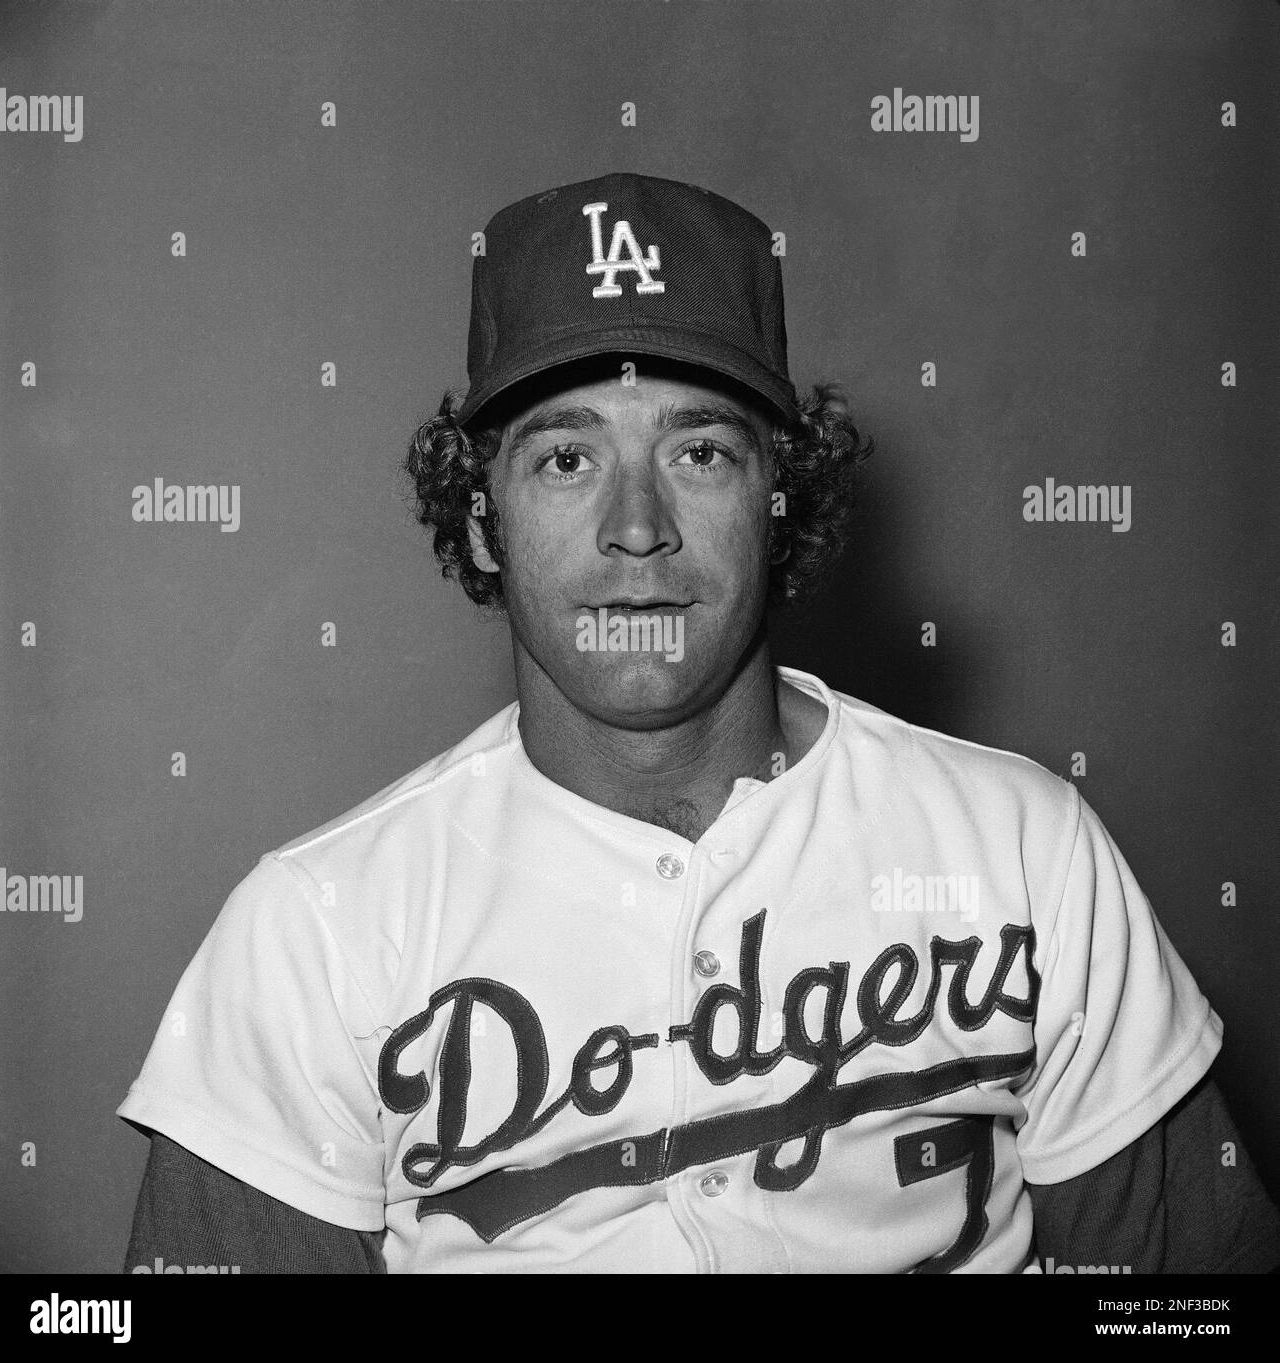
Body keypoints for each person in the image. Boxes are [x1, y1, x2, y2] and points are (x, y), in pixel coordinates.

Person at [119, 172, 1279, 1273]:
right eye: (566, 456)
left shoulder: (1024, 848)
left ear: (783, 505)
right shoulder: (314, 930)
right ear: (481, 524)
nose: (637, 527)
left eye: (700, 451)